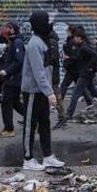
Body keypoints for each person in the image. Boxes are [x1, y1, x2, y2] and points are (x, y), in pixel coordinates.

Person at [21, 11, 63, 171]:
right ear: (40, 24)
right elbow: (38, 71)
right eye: (46, 21)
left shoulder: (42, 41)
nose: (49, 24)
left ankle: (48, 156)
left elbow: (46, 69)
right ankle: (27, 159)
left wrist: (48, 90)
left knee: (45, 124)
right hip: (33, 91)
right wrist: (50, 92)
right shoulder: (34, 44)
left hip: (42, 92)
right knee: (29, 126)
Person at [0, 21, 25, 138]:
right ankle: (33, 120)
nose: (5, 30)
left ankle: (9, 129)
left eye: (7, 28)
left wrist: (7, 71)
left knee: (6, 103)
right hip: (13, 78)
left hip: (13, 79)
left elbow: (19, 61)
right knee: (15, 103)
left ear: (12, 29)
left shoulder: (17, 42)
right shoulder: (14, 41)